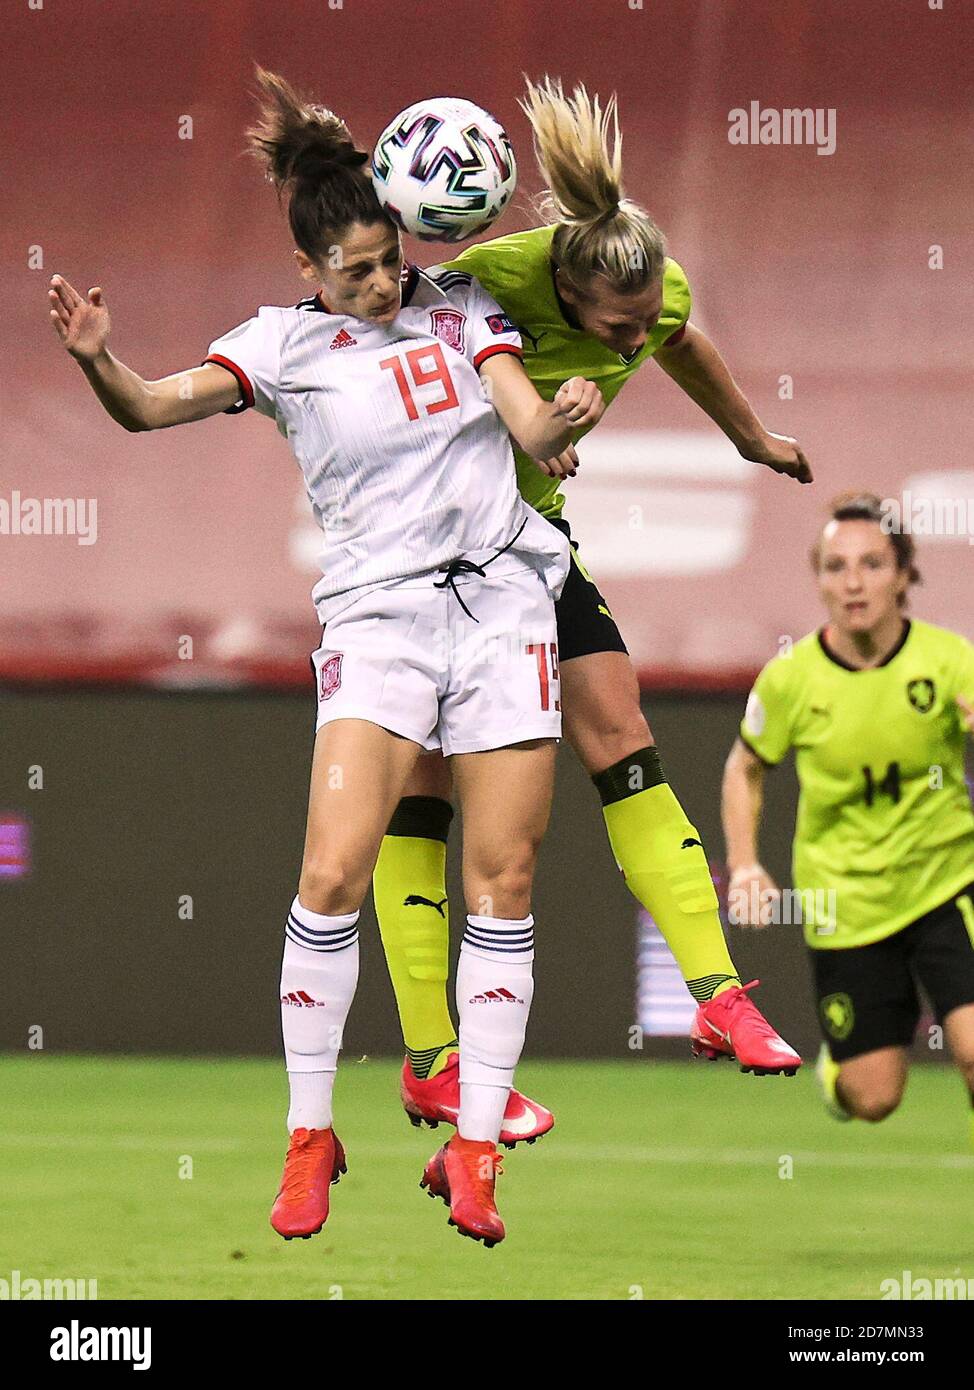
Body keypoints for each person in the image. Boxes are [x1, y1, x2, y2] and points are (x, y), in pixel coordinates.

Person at [48, 67, 606, 1248]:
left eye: (383, 259)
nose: (374, 281)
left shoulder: (457, 308)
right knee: (330, 876)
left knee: (502, 881)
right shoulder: (279, 347)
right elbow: (151, 408)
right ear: (306, 270)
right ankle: (310, 1140)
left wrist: (558, 427)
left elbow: (521, 416)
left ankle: (474, 1150)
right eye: (349, 269)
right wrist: (102, 360)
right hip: (379, 621)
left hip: (502, 604)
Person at [377, 77, 807, 1141]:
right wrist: (521, 418)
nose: (628, 345)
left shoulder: (643, 289)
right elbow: (393, 384)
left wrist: (747, 437)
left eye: (639, 324)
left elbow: (681, 341)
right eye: (612, 329)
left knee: (622, 731)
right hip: (428, 558)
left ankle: (715, 993)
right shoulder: (479, 289)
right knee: (421, 791)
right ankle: (430, 1054)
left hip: (530, 545)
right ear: (562, 295)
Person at [722, 493, 974, 1133]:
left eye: (872, 564)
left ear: (904, 574)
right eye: (835, 567)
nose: (854, 582)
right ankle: (842, 1073)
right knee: (874, 1099)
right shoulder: (791, 679)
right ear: (819, 579)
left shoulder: (950, 662)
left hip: (946, 882)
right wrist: (746, 865)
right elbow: (745, 767)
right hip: (845, 899)